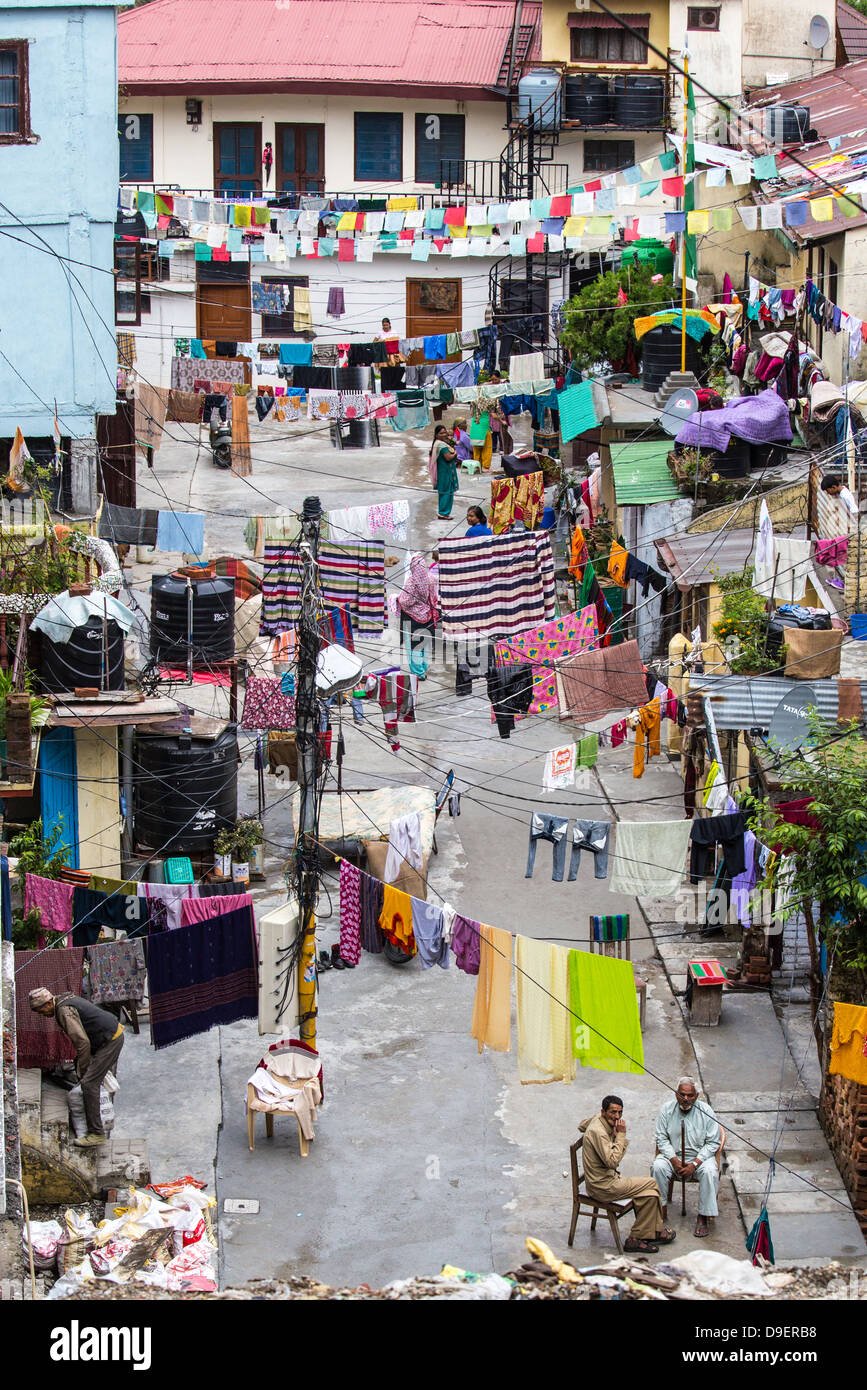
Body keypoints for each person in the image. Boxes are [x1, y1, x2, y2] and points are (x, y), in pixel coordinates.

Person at [579, 1095, 675, 1253]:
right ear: (603, 1112)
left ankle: (638, 1237)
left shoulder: (597, 1119)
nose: (617, 1117)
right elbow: (612, 1162)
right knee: (651, 1182)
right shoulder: (599, 1132)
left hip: (607, 1180)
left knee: (650, 1194)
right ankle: (653, 1231)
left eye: (620, 1113)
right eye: (613, 1112)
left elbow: (581, 1126)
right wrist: (620, 1136)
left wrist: (601, 1126)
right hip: (603, 1187)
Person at [29, 987, 124, 1147]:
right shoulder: (64, 999)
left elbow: (82, 1042)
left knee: (89, 1084)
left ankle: (96, 1133)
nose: (42, 1015)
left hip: (110, 1041)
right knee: (87, 1076)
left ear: (47, 1004)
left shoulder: (63, 1011)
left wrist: (83, 1069)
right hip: (106, 1037)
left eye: (41, 1011)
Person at [651, 1077, 722, 1239]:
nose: (686, 1099)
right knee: (658, 1167)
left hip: (699, 1158)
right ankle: (659, 1211)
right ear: (676, 1094)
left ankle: (703, 1217)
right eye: (682, 1094)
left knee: (710, 1171)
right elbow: (661, 1139)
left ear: (696, 1096)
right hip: (673, 1156)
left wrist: (695, 1164)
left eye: (690, 1096)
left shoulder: (706, 1111)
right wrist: (674, 1160)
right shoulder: (666, 1110)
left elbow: (713, 1143)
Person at [396, 553, 438, 678]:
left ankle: (418, 673)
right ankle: (423, 668)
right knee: (424, 644)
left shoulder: (412, 582)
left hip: (412, 618)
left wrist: (396, 598)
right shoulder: (431, 578)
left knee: (413, 646)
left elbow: (405, 601)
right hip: (428, 617)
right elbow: (435, 596)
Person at [430, 425, 459, 519]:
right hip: (445, 472)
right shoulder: (441, 445)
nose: (443, 434)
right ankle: (443, 513)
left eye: (444, 432)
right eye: (441, 433)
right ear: (436, 435)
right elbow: (448, 457)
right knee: (446, 492)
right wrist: (455, 453)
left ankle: (443, 512)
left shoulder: (439, 443)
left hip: (443, 471)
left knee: (444, 492)